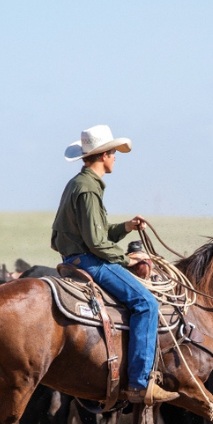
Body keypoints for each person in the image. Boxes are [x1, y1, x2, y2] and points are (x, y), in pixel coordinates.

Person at [52, 125, 179, 405]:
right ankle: (139, 382)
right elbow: (96, 243)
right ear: (104, 155)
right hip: (89, 261)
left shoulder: (79, 184)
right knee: (147, 303)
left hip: (75, 257)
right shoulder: (88, 189)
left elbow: (91, 232)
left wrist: (125, 227)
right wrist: (127, 258)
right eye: (113, 153)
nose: (116, 158)